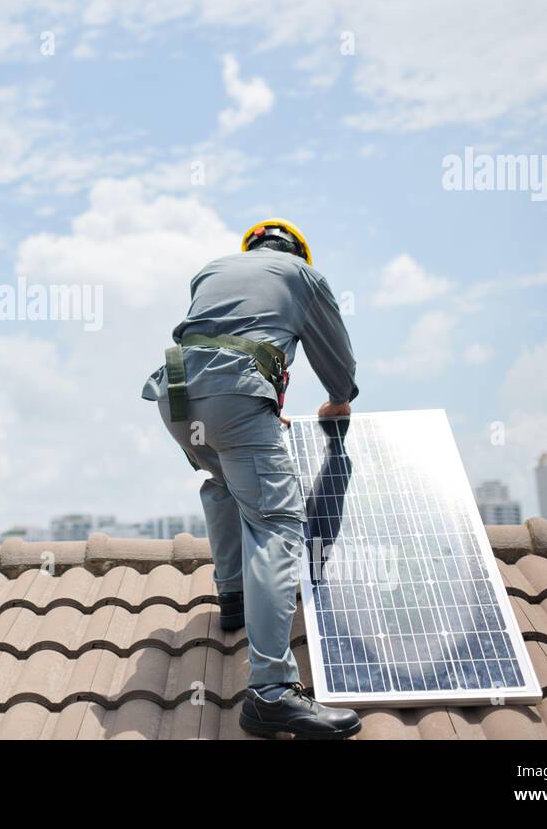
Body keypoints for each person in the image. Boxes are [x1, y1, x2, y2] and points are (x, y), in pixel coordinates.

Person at [141, 218, 362, 739]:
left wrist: (251, 409)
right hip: (233, 398)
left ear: (250, 248)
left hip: (176, 400)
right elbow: (337, 363)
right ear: (298, 253)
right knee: (276, 525)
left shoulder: (210, 271)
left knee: (222, 481)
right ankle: (271, 692)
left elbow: (222, 339)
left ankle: (235, 596)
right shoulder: (303, 276)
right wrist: (337, 399)